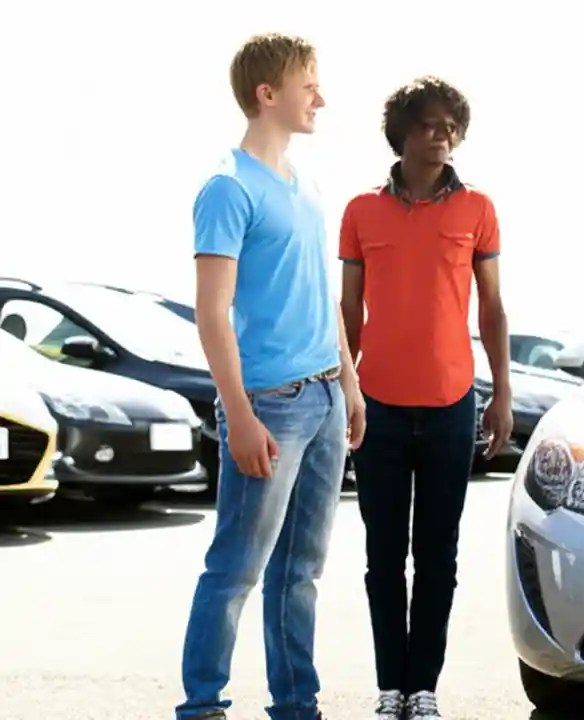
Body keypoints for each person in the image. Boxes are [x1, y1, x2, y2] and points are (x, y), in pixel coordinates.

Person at [175, 32, 365, 720]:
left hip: (320, 398)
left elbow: (322, 296)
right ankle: (203, 706)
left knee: (301, 574)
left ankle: (296, 705)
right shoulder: (227, 188)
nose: (320, 97)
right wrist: (241, 415)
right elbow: (212, 313)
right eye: (308, 83)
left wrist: (347, 381)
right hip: (269, 406)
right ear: (267, 93)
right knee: (236, 570)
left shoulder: (307, 186)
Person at [338, 75, 513, 720]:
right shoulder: (361, 211)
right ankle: (390, 687)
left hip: (450, 404)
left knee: (438, 554)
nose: (443, 136)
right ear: (403, 131)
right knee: (383, 554)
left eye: (451, 126)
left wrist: (501, 393)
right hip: (378, 406)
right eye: (430, 124)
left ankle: (424, 689)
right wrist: (345, 387)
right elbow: (348, 310)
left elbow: (492, 306)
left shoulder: (478, 209)